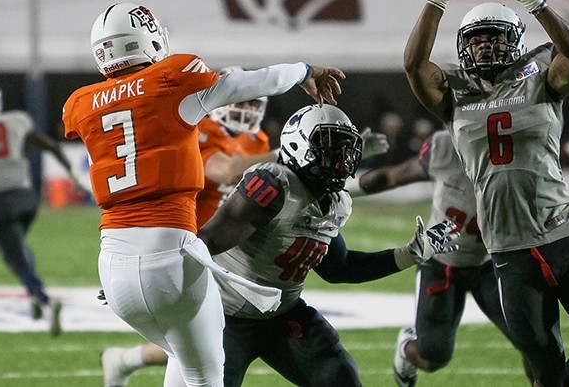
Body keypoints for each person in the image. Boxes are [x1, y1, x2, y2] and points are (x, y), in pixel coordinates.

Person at [62, 2, 345, 387]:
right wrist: (304, 71)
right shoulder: (172, 78)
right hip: (171, 256)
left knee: (183, 358)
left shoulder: (80, 103)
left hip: (113, 266)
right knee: (205, 377)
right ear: (150, 38)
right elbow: (248, 83)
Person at [401, 0, 569, 386]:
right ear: (463, 47)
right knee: (541, 363)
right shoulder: (454, 93)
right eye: (475, 39)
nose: (484, 45)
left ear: (516, 41)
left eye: (495, 36)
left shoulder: (541, 76)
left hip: (564, 236)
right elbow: (413, 64)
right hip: (507, 252)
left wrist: (534, 2)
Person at [187, 104, 458, 386]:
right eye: (328, 146)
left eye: (344, 148)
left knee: (341, 379)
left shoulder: (334, 203)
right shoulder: (272, 184)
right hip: (224, 317)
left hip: (283, 316)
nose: (339, 158)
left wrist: (408, 254)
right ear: (296, 143)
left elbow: (339, 267)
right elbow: (209, 241)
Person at [345, 128, 533, 386]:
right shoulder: (446, 147)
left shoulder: (517, 151)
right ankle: (406, 348)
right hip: (442, 263)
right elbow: (390, 176)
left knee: (534, 344)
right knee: (433, 357)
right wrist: (341, 189)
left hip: (492, 265)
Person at [0, 78, 79, 337]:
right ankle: (33, 295)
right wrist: (71, 173)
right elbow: (50, 145)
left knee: (13, 257)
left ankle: (44, 300)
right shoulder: (16, 120)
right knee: (20, 247)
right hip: (28, 197)